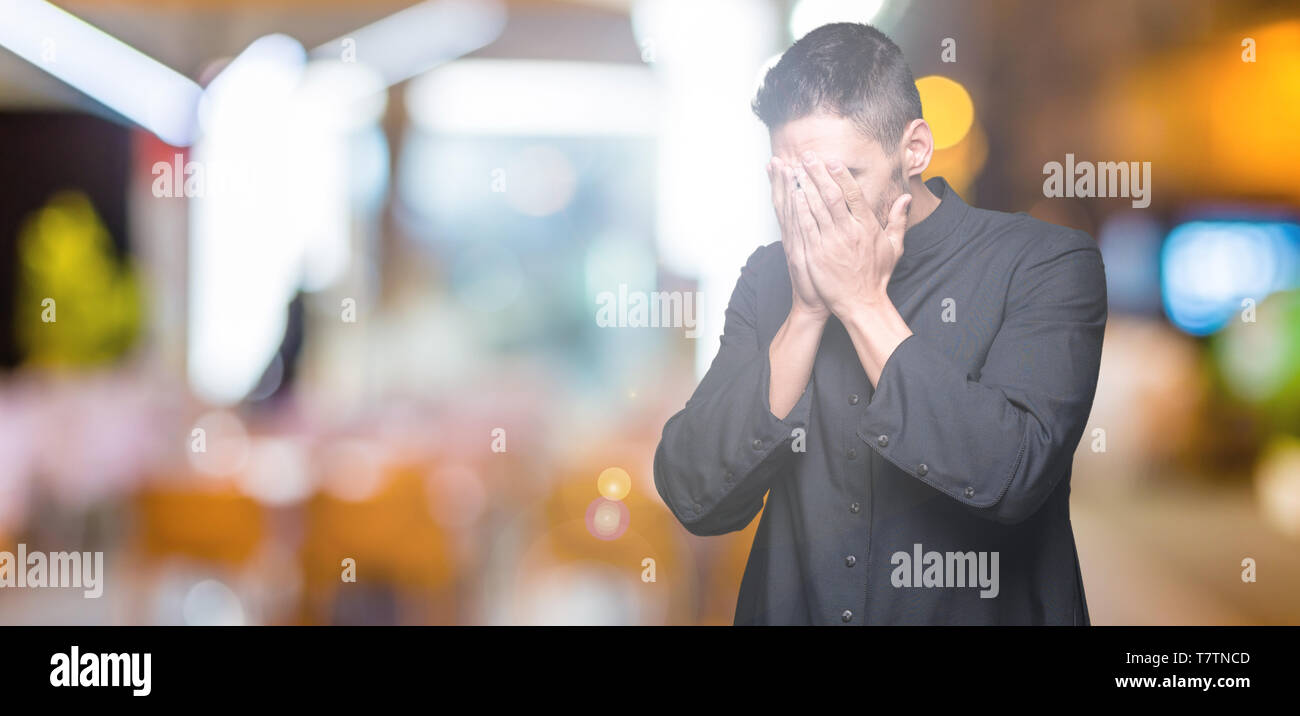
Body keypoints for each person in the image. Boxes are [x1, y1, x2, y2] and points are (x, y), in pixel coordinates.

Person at [652, 22, 1107, 625]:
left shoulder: (1045, 264)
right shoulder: (769, 278)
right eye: (796, 182)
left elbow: (1015, 472)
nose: (818, 206)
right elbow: (693, 492)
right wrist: (808, 311)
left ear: (913, 149)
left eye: (842, 178)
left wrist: (863, 303)